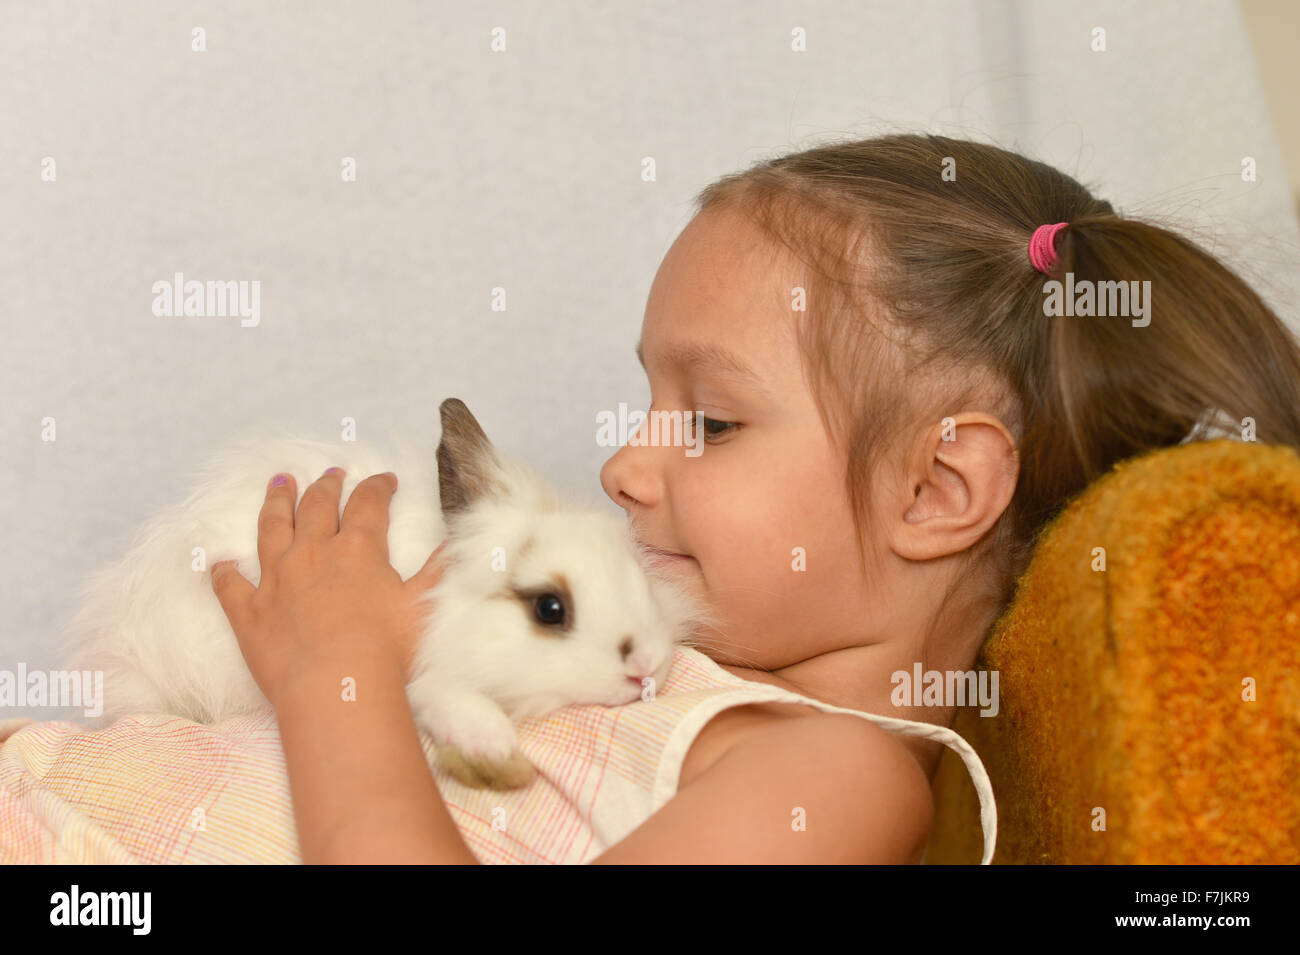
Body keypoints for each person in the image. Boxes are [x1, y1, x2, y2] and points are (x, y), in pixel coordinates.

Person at [209, 133, 1300, 863]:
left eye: (712, 422)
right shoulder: (673, 677)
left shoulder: (836, 779)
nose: (622, 467)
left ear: (935, 488)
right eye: (648, 399)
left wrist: (332, 679)